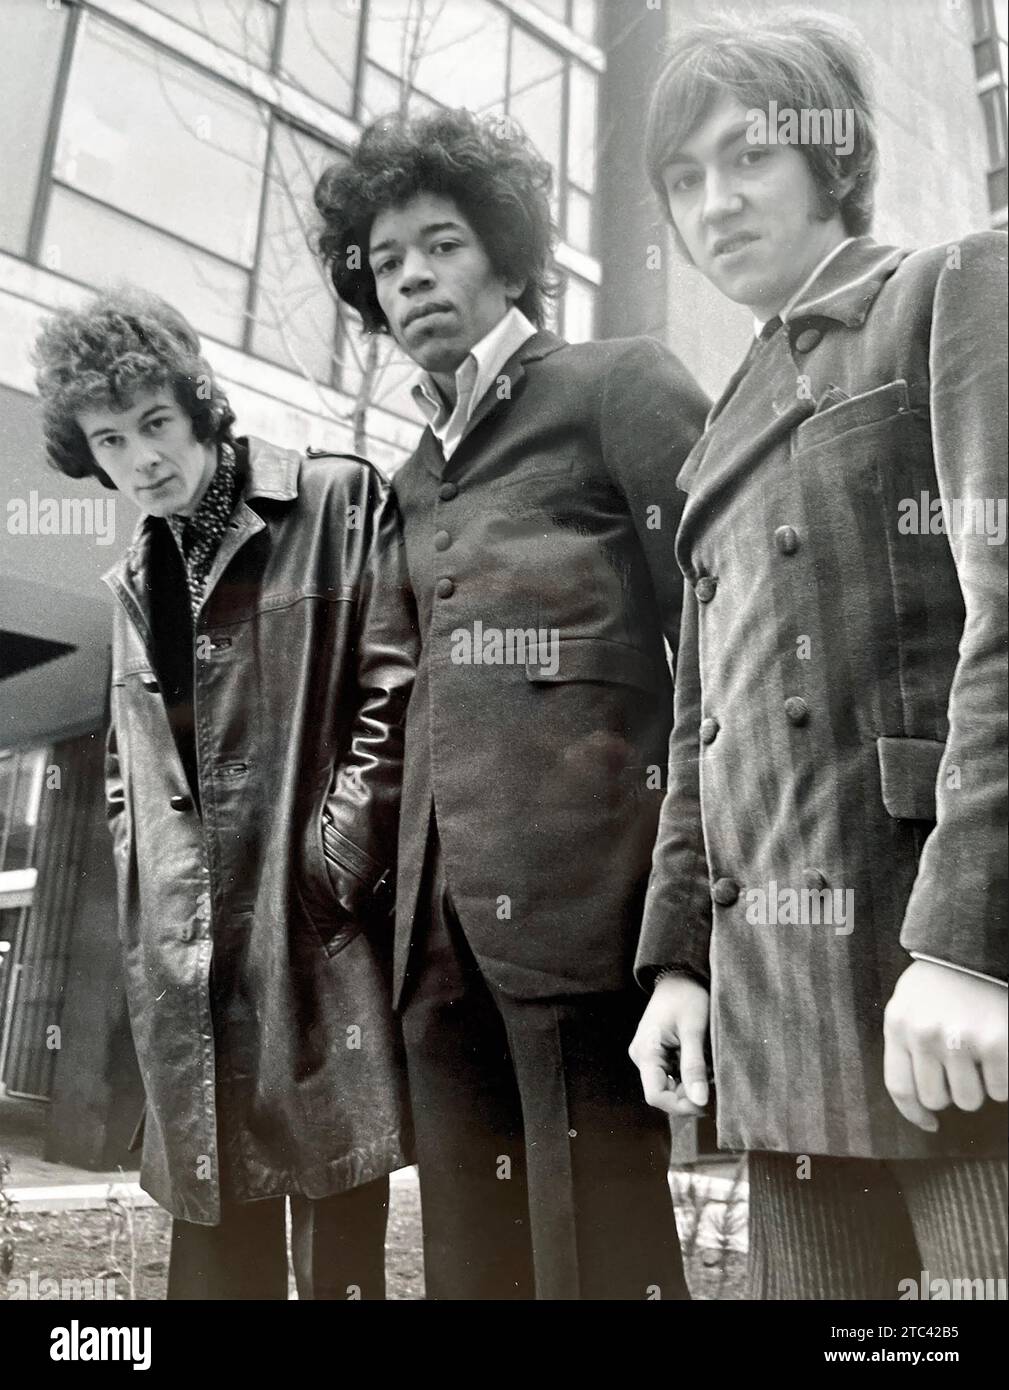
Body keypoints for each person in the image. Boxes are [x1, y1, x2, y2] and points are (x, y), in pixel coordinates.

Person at [630, 9, 1008, 1299]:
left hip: (940, 999)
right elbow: (698, 734)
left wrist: (970, 943)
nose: (713, 202)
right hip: (780, 1011)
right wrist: (680, 960)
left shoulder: (951, 286)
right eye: (682, 179)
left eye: (748, 157)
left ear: (830, 153)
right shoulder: (710, 433)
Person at [314, 108, 709, 1301]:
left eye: (440, 243)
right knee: (469, 1275)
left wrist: (683, 932)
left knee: (602, 1270)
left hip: (586, 930)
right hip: (435, 957)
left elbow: (719, 654)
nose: (414, 278)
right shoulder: (403, 480)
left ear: (501, 249)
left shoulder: (614, 387)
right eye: (386, 263)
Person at [32, 288, 418, 1299]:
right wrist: (150, 901)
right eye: (110, 440)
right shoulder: (130, 582)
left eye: (155, 422)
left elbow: (395, 691)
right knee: (210, 1266)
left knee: (339, 1256)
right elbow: (129, 774)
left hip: (312, 946)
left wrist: (333, 867)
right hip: (189, 964)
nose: (141, 458)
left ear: (199, 403)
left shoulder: (335, 499)